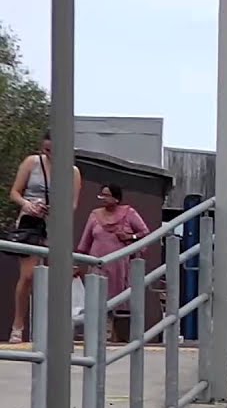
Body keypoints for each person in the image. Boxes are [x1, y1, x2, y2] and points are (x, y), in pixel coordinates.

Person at [7, 131, 81, 343]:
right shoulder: (32, 162)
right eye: (45, 150)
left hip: (56, 224)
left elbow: (73, 204)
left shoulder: (72, 172)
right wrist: (28, 205)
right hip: (30, 222)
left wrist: (56, 210)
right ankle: (18, 325)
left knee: (59, 275)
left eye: (53, 150)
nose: (48, 154)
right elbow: (14, 192)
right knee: (28, 275)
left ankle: (55, 326)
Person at [74, 184, 149, 343]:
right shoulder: (94, 215)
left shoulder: (129, 213)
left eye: (107, 195)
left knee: (119, 301)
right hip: (98, 264)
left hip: (119, 265)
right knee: (98, 299)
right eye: (102, 195)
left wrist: (130, 237)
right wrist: (77, 264)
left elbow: (145, 233)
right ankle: (100, 336)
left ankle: (118, 337)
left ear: (116, 198)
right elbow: (84, 243)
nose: (104, 198)